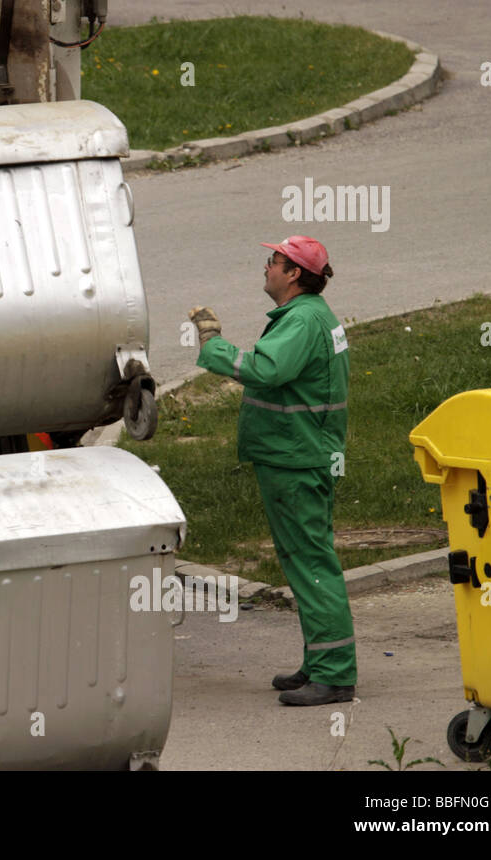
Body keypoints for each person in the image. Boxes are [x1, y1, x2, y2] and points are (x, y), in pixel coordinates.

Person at [187, 235, 355, 706]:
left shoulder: (302, 321)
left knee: (311, 563)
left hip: (296, 459)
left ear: (294, 273)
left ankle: (335, 674)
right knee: (305, 561)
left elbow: (265, 369)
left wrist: (213, 344)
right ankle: (321, 661)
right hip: (298, 455)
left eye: (274, 261)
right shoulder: (310, 317)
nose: (267, 267)